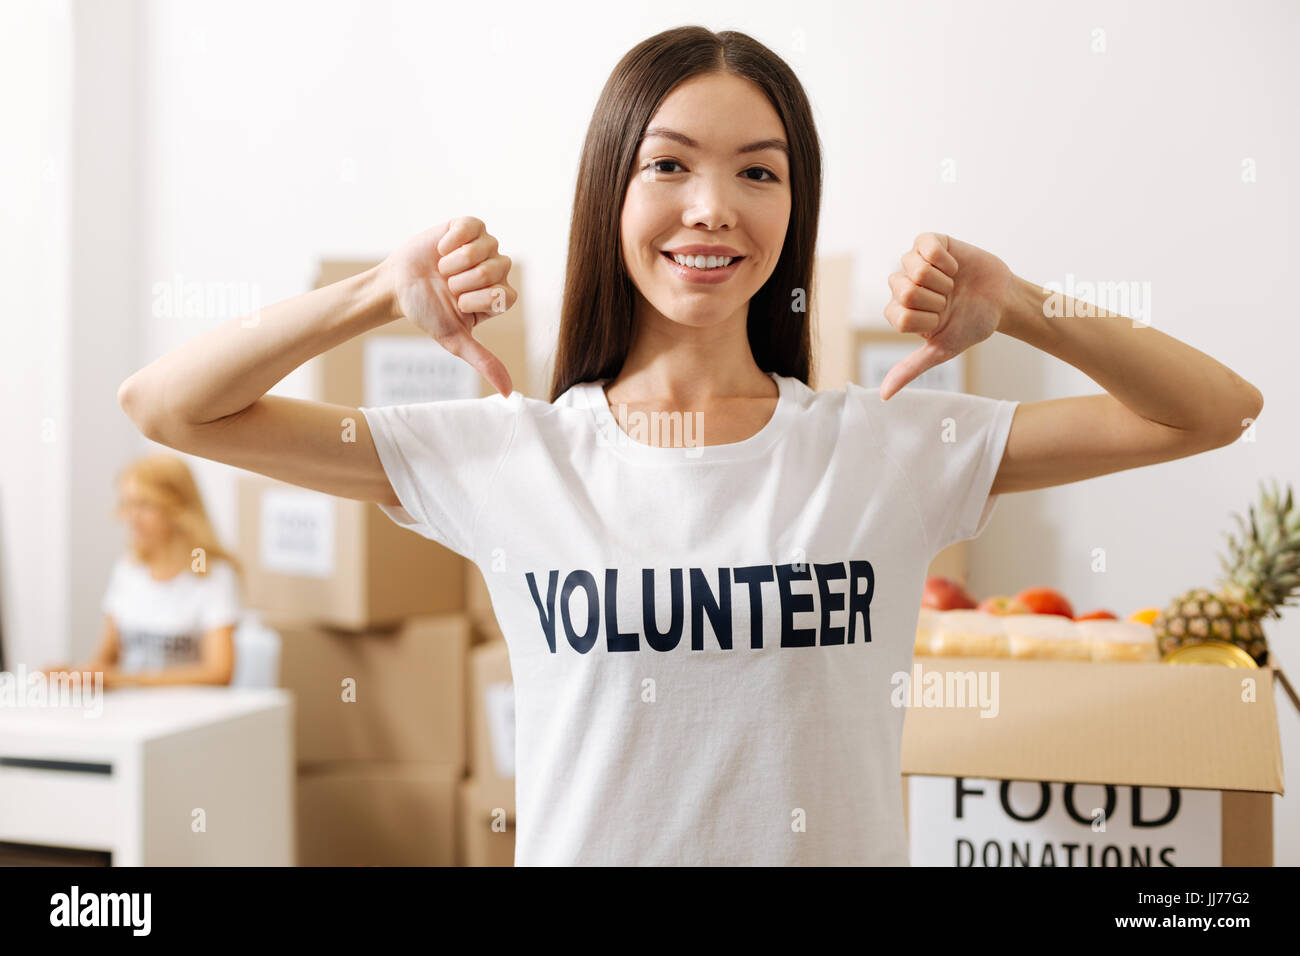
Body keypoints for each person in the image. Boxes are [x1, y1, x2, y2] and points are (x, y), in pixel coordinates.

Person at [113, 27, 1262, 865]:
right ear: (610, 192)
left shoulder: (884, 451)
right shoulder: (509, 457)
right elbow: (169, 407)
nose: (712, 205)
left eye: (757, 171)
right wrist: (376, 290)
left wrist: (1018, 301)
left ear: (791, 209)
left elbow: (1212, 410)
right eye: (669, 163)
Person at [46, 453, 242, 688]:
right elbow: (105, 660)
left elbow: (219, 673)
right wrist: (75, 674)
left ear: (178, 508)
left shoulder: (212, 574)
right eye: (126, 504)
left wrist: (126, 679)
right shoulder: (128, 570)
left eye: (144, 505)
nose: (132, 517)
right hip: (131, 712)